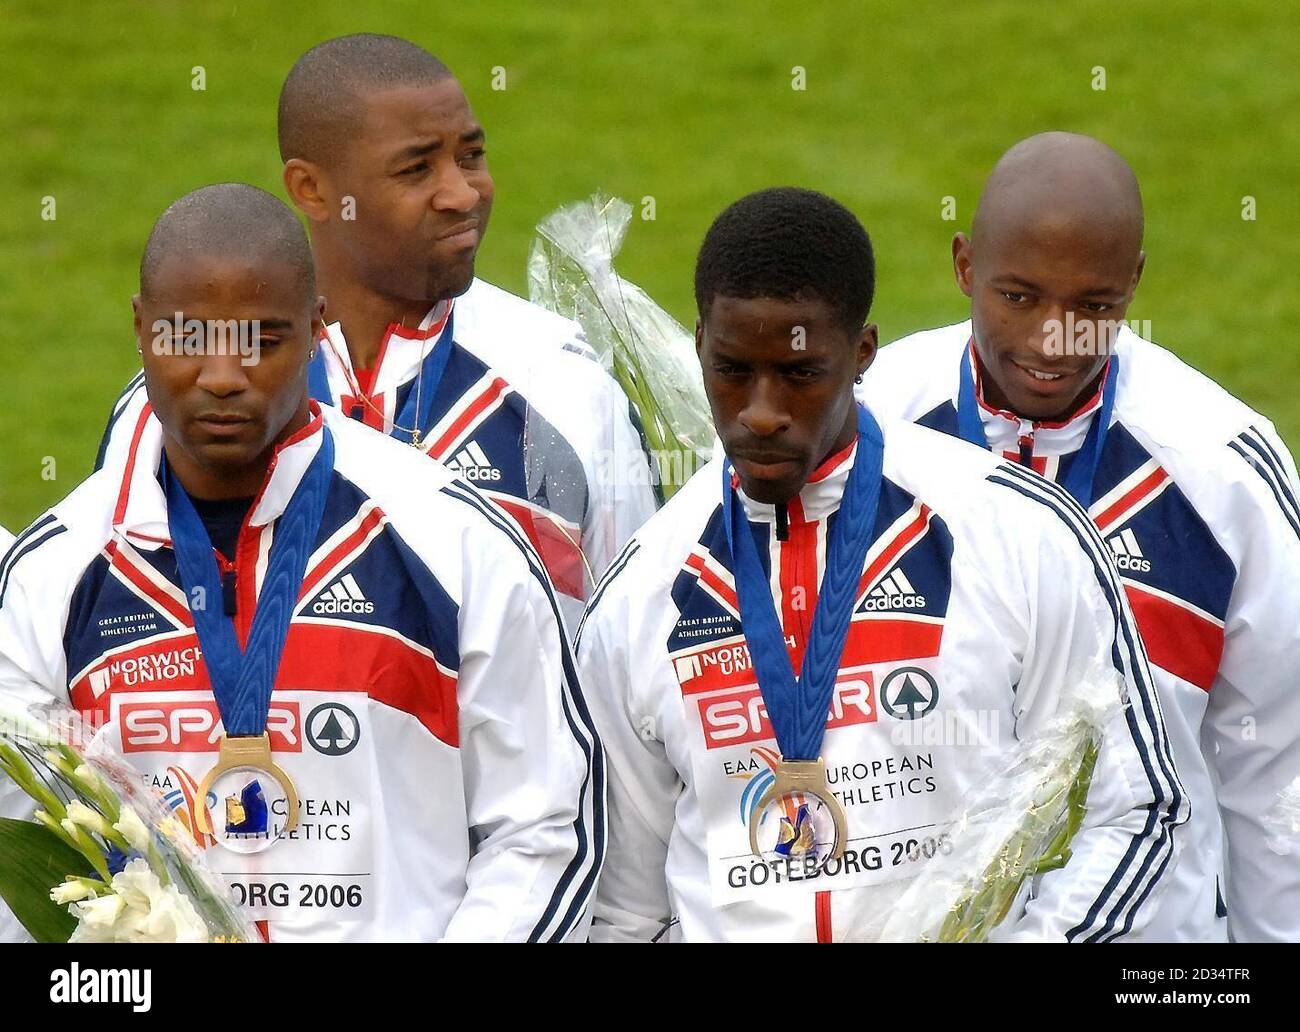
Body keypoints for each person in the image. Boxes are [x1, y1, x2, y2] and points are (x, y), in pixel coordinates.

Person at [577, 187, 1185, 943]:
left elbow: (1139, 806)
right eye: (734, 369)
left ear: (861, 353)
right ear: (700, 342)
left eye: (800, 375)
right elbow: (624, 905)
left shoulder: (1016, 535)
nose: (761, 411)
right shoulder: (644, 592)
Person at [0, 184, 602, 942]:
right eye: (186, 337)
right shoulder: (53, 573)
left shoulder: (452, 543)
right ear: (141, 328)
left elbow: (543, 827)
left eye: (261, 338)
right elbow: (24, 864)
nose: (221, 374)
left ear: (317, 330)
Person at [860, 132, 1300, 942]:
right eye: (1019, 297)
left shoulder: (1224, 471)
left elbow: (1278, 769)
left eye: (1093, 306)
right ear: (964, 266)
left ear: (1134, 282)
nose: (1053, 340)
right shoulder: (865, 429)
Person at [97, 34, 657, 631]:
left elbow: (633, 656)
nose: (462, 193)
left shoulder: (563, 385)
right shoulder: (176, 406)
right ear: (312, 190)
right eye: (417, 168)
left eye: (470, 157)